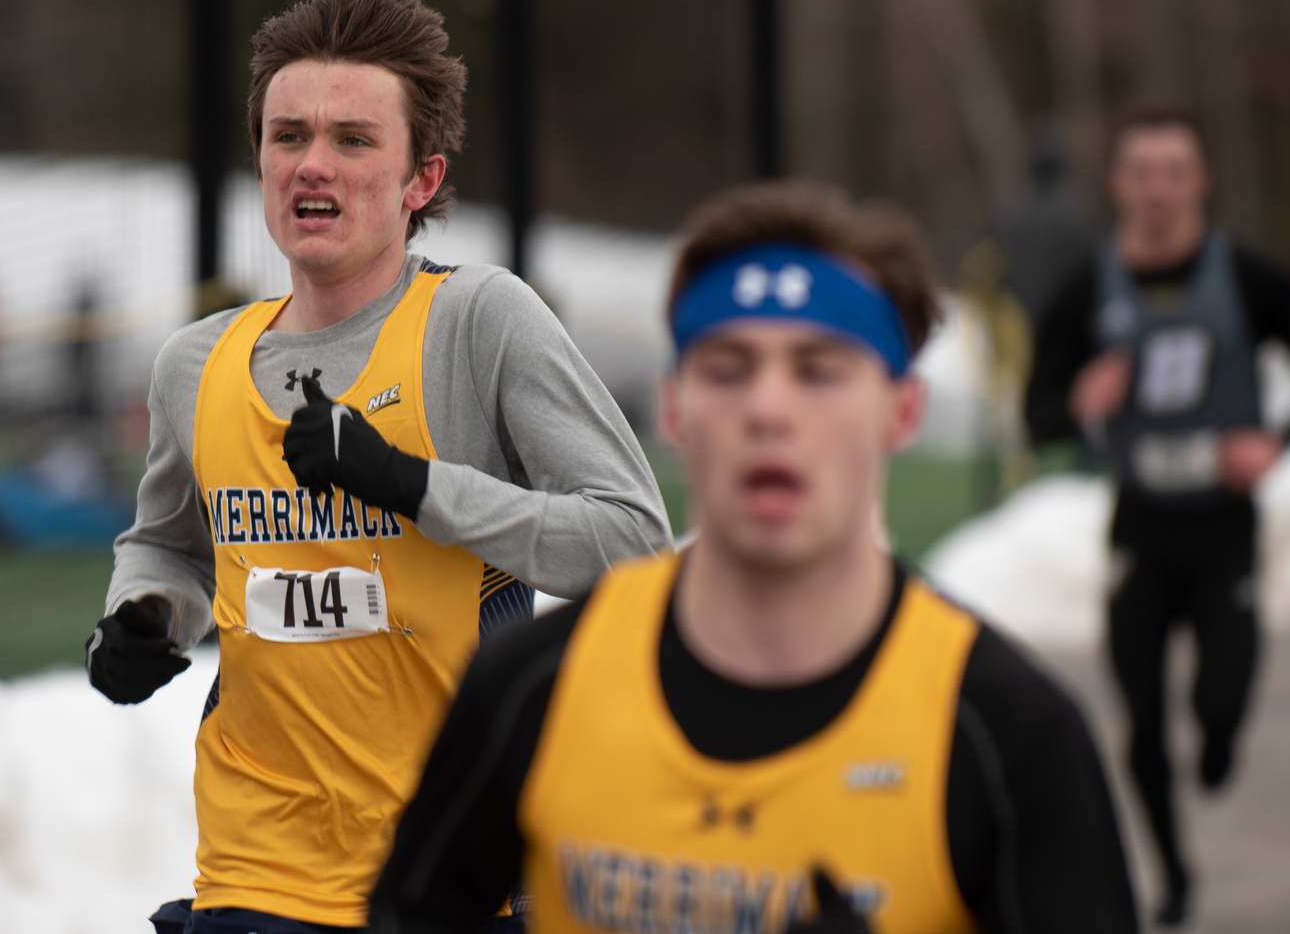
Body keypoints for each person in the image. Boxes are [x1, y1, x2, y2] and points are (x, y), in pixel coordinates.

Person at [371, 183, 1138, 934]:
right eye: (729, 367)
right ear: (673, 407)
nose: (769, 409)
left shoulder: (1008, 733)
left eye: (818, 369)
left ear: (901, 409)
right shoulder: (534, 684)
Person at [87, 0, 671, 934]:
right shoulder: (195, 363)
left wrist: (408, 482)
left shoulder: (479, 323)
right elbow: (171, 549)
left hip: (450, 871)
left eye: (353, 140)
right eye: (289, 136)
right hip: (254, 870)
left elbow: (634, 542)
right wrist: (141, 618)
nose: (313, 164)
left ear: (420, 181)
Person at [1024, 110, 1290, 926]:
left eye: (1173, 171)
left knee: (1218, 709)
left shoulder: (1251, 277)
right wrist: (1081, 405)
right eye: (1141, 172)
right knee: (1142, 726)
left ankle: (1221, 740)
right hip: (1141, 526)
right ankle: (1176, 874)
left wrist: (1279, 442)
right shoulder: (1090, 287)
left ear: (1200, 181)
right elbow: (1039, 410)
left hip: (1226, 525)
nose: (1157, 189)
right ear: (1118, 184)